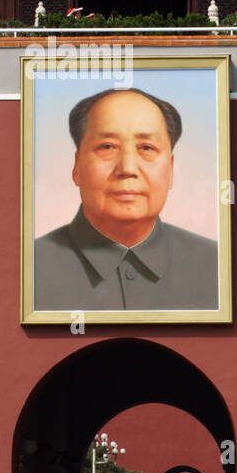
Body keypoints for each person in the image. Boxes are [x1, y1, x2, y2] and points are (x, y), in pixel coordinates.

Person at [33, 88, 219, 312]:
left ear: (170, 169)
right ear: (76, 167)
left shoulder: (217, 266)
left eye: (147, 148)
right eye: (107, 147)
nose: (128, 168)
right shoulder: (30, 268)